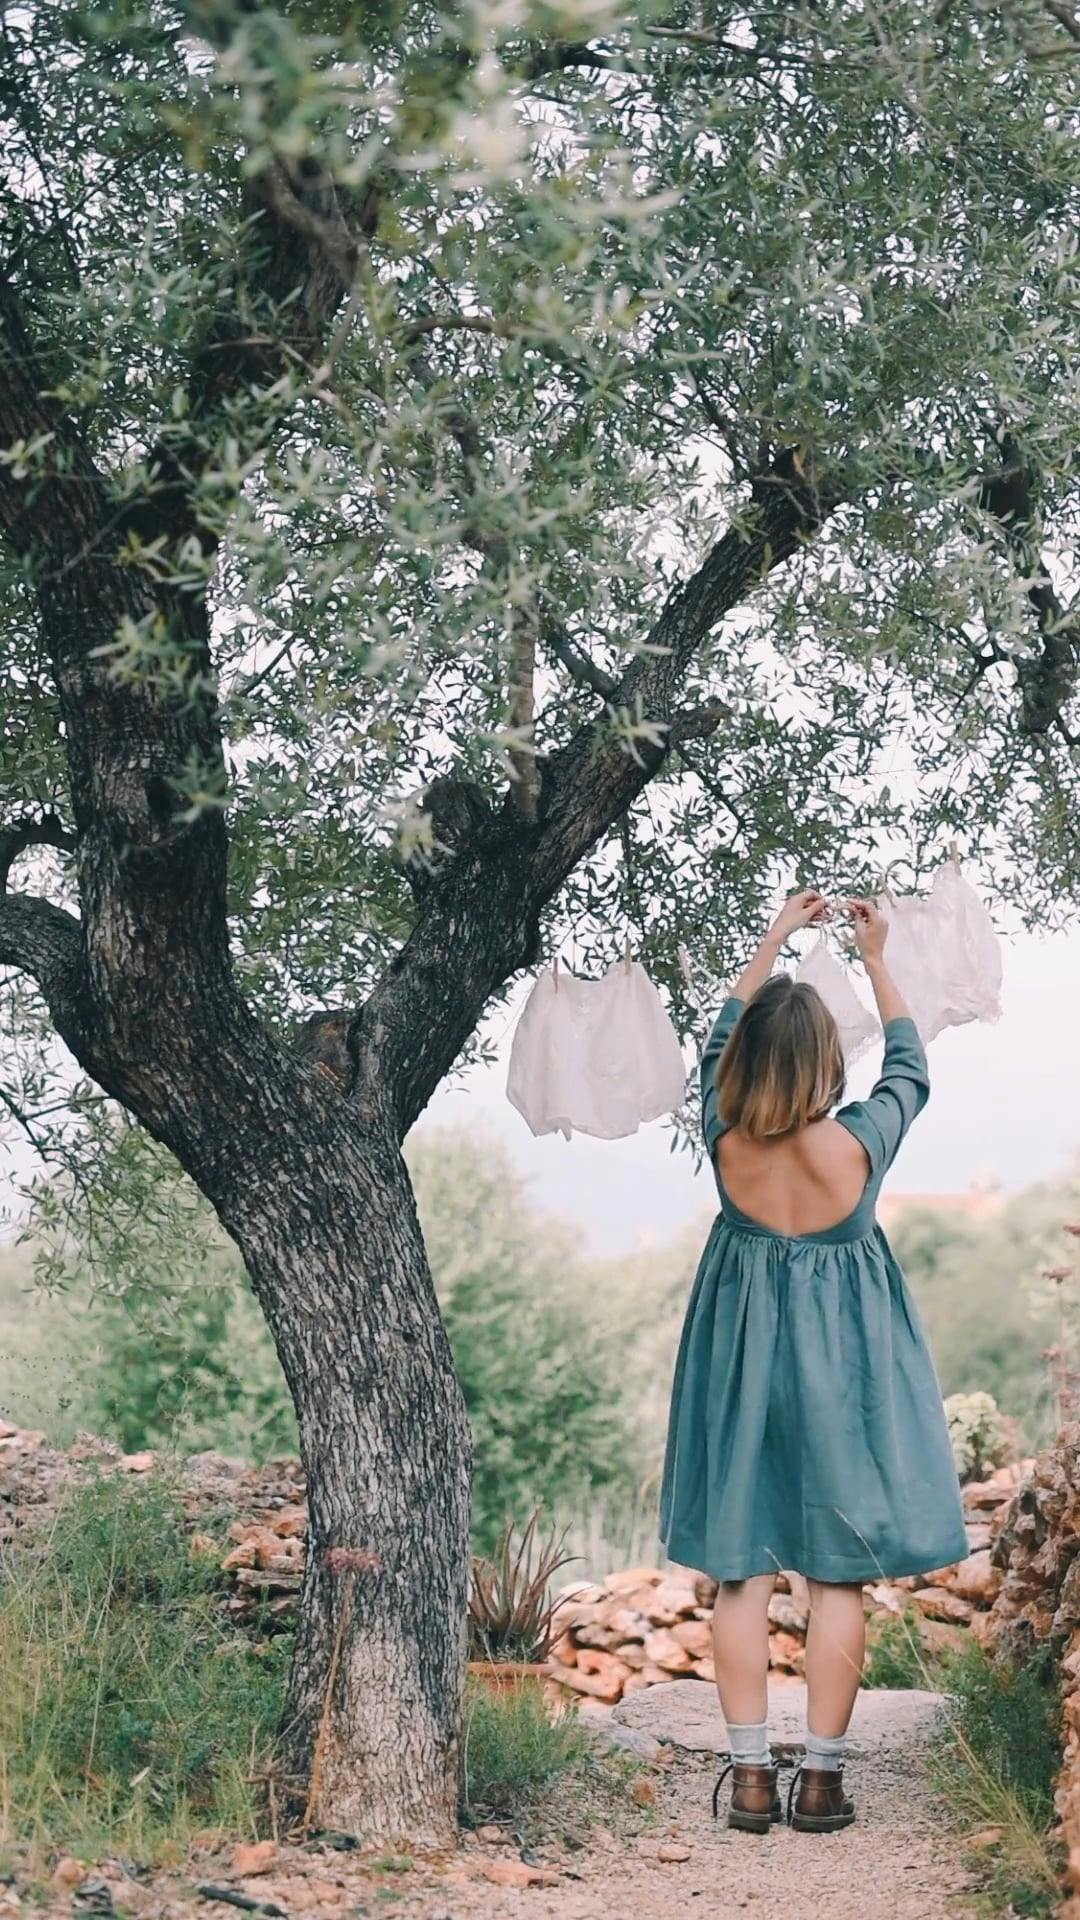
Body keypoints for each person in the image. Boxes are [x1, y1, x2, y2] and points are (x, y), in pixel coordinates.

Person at [658, 889, 967, 1835]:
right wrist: (876, 957)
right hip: (843, 1372)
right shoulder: (860, 1146)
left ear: (750, 1060)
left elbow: (714, 1045)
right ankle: (822, 1781)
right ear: (831, 1062)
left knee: (743, 1575)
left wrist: (773, 940)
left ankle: (751, 1778)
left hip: (742, 1366)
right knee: (837, 1577)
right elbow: (911, 1067)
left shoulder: (724, 1135)